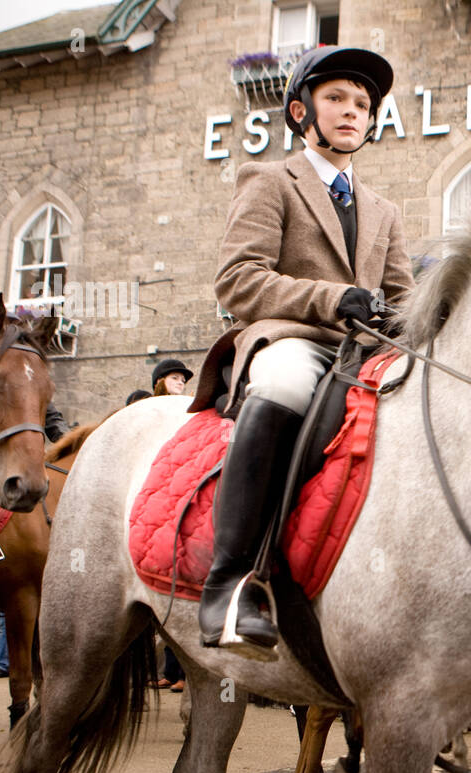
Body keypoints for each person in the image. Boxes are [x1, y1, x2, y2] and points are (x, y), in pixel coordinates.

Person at [189, 45, 413, 655]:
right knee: (286, 382)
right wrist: (332, 298)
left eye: (362, 104)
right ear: (299, 110)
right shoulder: (269, 181)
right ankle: (231, 582)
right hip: (292, 340)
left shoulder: (384, 210)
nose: (351, 111)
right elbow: (238, 280)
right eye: (336, 98)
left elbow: (403, 296)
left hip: (365, 355)